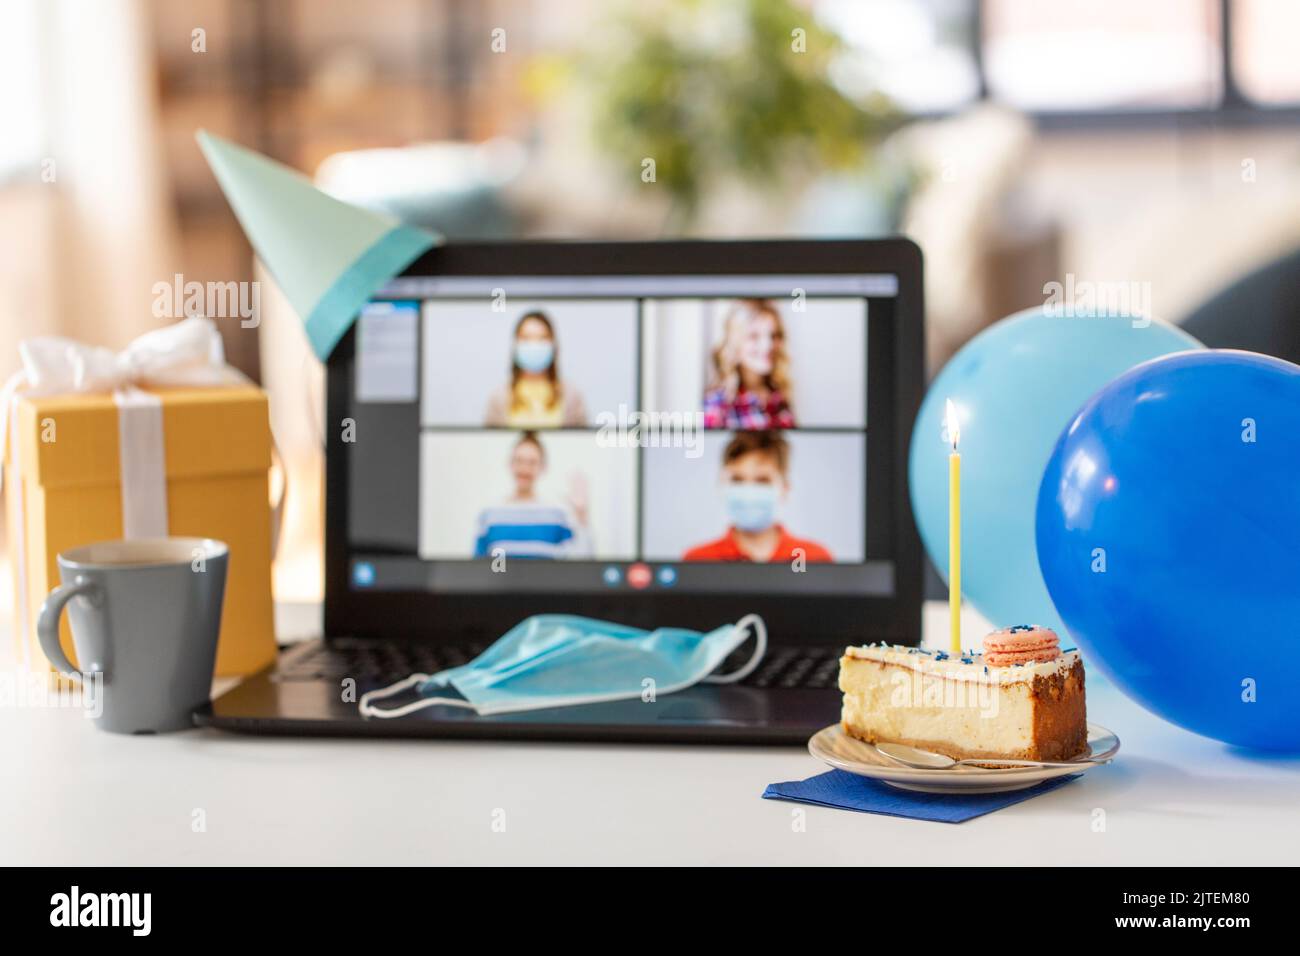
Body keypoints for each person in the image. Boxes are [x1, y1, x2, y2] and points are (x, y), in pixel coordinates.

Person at [682, 430, 831, 563]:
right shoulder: (697, 559)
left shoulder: (816, 558)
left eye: (762, 480)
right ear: (723, 486)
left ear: (784, 489)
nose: (749, 492)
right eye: (738, 480)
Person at [473, 432, 591, 559]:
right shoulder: (489, 514)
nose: (525, 468)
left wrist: (582, 517)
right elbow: (478, 569)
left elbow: (578, 565)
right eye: (519, 461)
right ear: (510, 464)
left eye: (532, 462)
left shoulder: (557, 514)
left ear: (543, 467)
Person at [702, 299, 795, 430]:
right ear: (734, 343)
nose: (768, 345)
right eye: (754, 336)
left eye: (774, 335)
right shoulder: (717, 406)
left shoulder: (779, 398)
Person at [484, 310, 587, 427]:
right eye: (526, 338)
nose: (534, 345)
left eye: (542, 338)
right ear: (515, 345)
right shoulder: (498, 398)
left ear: (553, 345)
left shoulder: (571, 396)